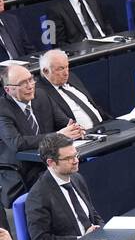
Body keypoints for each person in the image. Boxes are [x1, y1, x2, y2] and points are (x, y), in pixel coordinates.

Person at [1, 64, 79, 203]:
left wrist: (73, 128)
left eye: (31, 79)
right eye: (22, 83)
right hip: (24, 169)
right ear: (8, 89)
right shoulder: (3, 110)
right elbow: (17, 143)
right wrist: (58, 135)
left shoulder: (41, 95)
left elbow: (63, 121)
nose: (30, 86)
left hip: (49, 159)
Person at [23, 132, 102, 240]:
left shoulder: (76, 178)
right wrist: (81, 239)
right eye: (68, 158)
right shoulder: (39, 195)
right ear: (51, 163)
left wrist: (103, 230)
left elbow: (92, 214)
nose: (75, 161)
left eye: (76, 155)